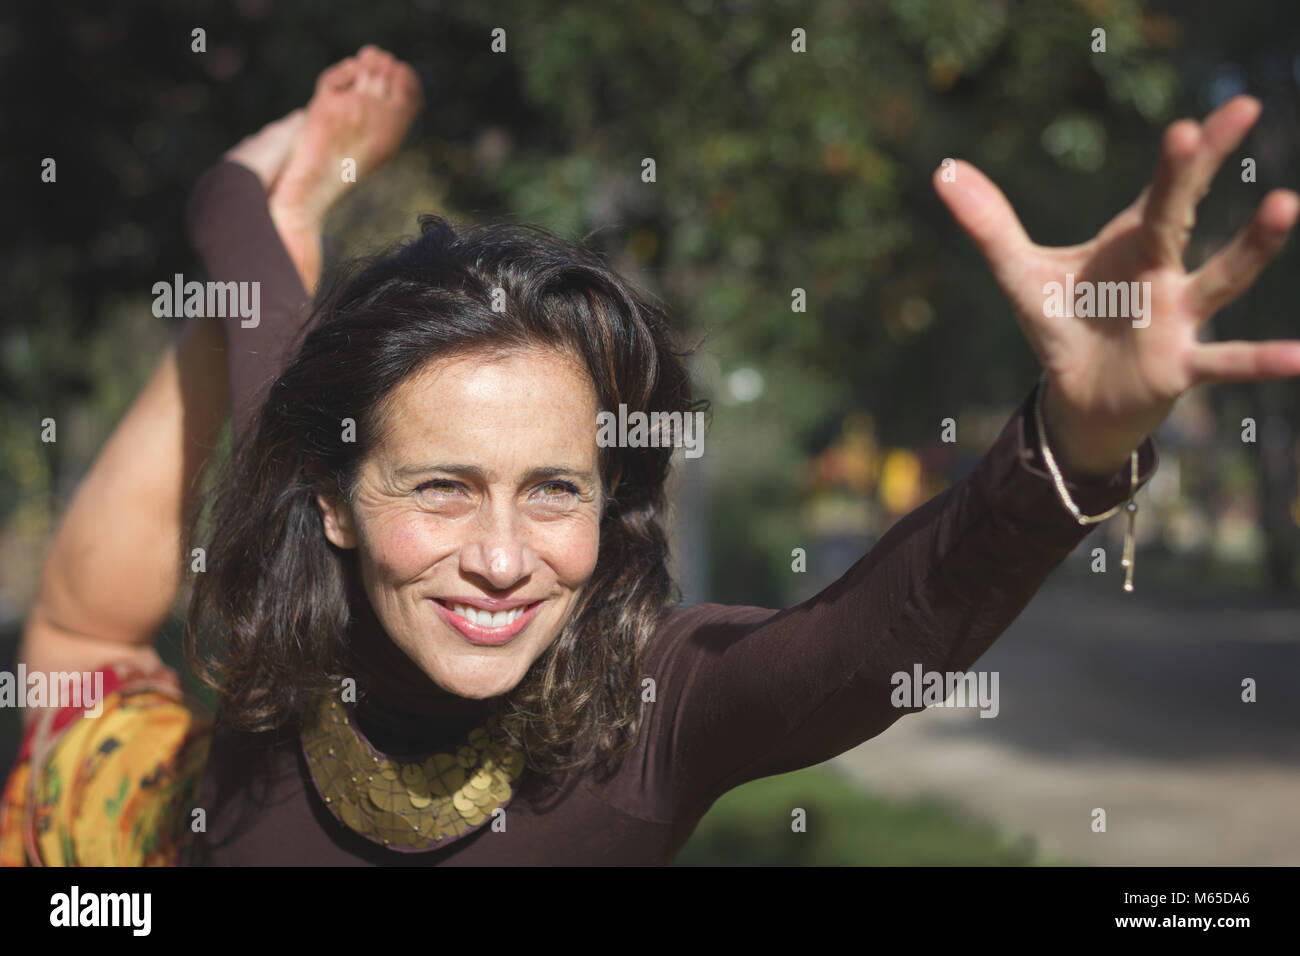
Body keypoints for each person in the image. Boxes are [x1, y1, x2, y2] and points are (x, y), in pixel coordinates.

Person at [3, 44, 1296, 866]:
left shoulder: (648, 712)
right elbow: (242, 268)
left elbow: (868, 643)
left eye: (552, 489)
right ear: (337, 501)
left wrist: (1076, 439)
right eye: (442, 487)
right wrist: (265, 191)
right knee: (77, 643)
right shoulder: (304, 505)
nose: (501, 559)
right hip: (122, 838)